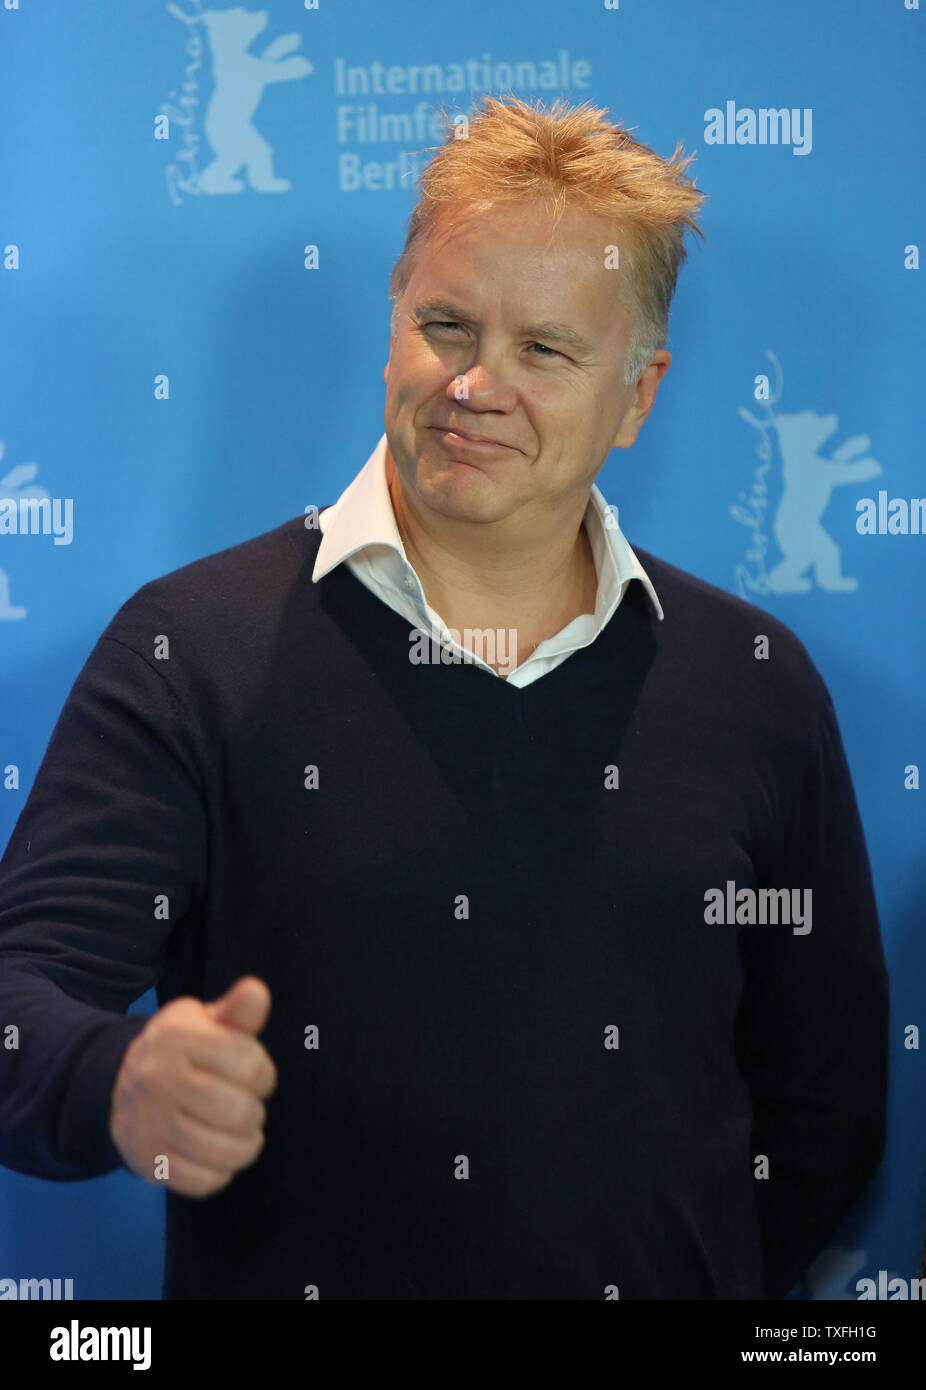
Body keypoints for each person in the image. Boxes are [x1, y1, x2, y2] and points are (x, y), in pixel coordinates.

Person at [0, 95, 888, 1300]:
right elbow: (20, 998)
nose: (475, 383)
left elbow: (823, 1099)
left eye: (545, 350)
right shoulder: (190, 650)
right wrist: (113, 1079)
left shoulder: (754, 683)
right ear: (392, 329)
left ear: (636, 395)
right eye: (446, 324)